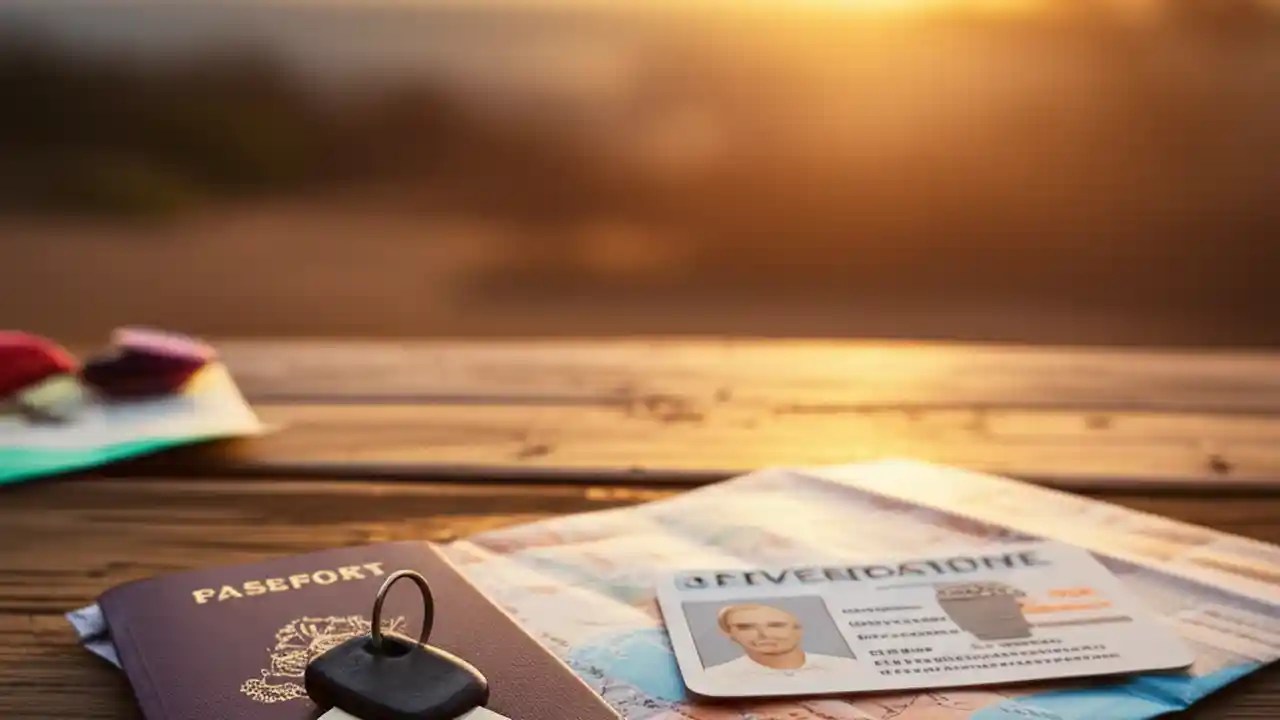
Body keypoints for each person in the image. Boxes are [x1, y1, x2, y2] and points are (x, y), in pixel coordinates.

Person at [702, 603, 859, 681]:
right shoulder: (716, 678)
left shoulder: (849, 668)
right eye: (746, 627)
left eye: (776, 626)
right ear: (730, 634)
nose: (764, 634)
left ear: (798, 629)